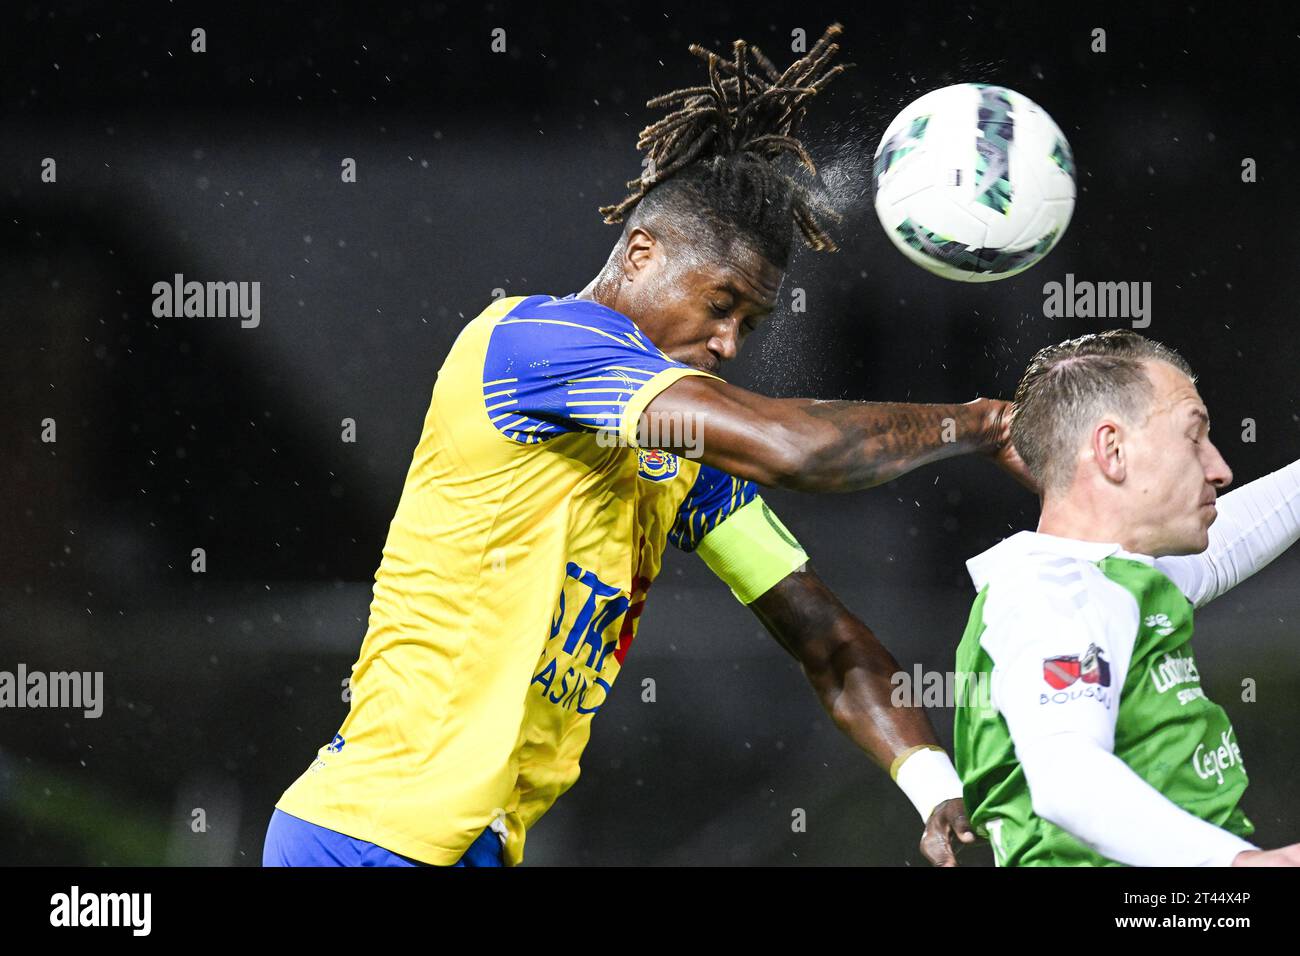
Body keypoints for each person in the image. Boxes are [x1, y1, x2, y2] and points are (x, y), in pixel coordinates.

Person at [264, 22, 1028, 868]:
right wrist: (982, 421)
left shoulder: (669, 454)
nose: (731, 340)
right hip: (366, 836)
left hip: (464, 845)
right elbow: (796, 447)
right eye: (722, 303)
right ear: (639, 254)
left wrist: (931, 785)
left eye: (751, 321)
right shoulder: (534, 346)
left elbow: (822, 632)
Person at [954, 329, 1300, 866]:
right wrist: (1244, 864)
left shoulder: (1110, 581)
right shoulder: (1055, 596)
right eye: (1195, 437)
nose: (1220, 468)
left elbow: (1230, 544)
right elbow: (1067, 778)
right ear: (1112, 450)